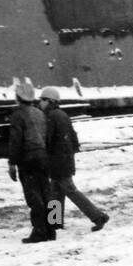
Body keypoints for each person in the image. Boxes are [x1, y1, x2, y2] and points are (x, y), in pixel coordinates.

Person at [40, 87, 109, 232]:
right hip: (64, 159)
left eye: (42, 100)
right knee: (55, 192)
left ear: (50, 101)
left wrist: (43, 156)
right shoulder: (62, 115)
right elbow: (73, 138)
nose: (40, 103)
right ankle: (54, 222)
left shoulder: (51, 116)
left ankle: (98, 216)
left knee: (70, 190)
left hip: (57, 161)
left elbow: (48, 140)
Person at [7, 81, 55, 243]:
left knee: (34, 197)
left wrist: (12, 163)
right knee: (47, 193)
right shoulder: (40, 113)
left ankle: (39, 231)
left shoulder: (17, 115)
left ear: (18, 97)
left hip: (27, 160)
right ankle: (51, 230)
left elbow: (16, 141)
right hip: (43, 157)